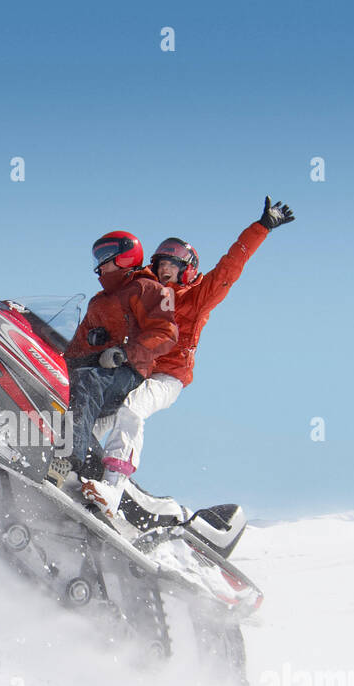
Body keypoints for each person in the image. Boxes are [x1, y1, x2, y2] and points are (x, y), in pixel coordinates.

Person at [92, 196, 295, 516]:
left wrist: (260, 228)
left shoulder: (199, 297)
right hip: (137, 369)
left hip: (168, 376)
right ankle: (76, 467)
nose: (165, 271)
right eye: (160, 265)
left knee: (132, 408)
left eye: (172, 267)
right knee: (96, 410)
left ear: (188, 271)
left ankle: (113, 486)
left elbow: (231, 266)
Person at [62, 230, 178, 517]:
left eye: (105, 257)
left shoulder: (148, 289)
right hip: (97, 372)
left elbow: (166, 333)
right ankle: (81, 465)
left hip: (128, 373)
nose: (99, 265)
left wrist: (126, 353)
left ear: (126, 256)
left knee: (88, 382)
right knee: (64, 387)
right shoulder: (99, 301)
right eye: (97, 258)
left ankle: (67, 462)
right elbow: (77, 346)